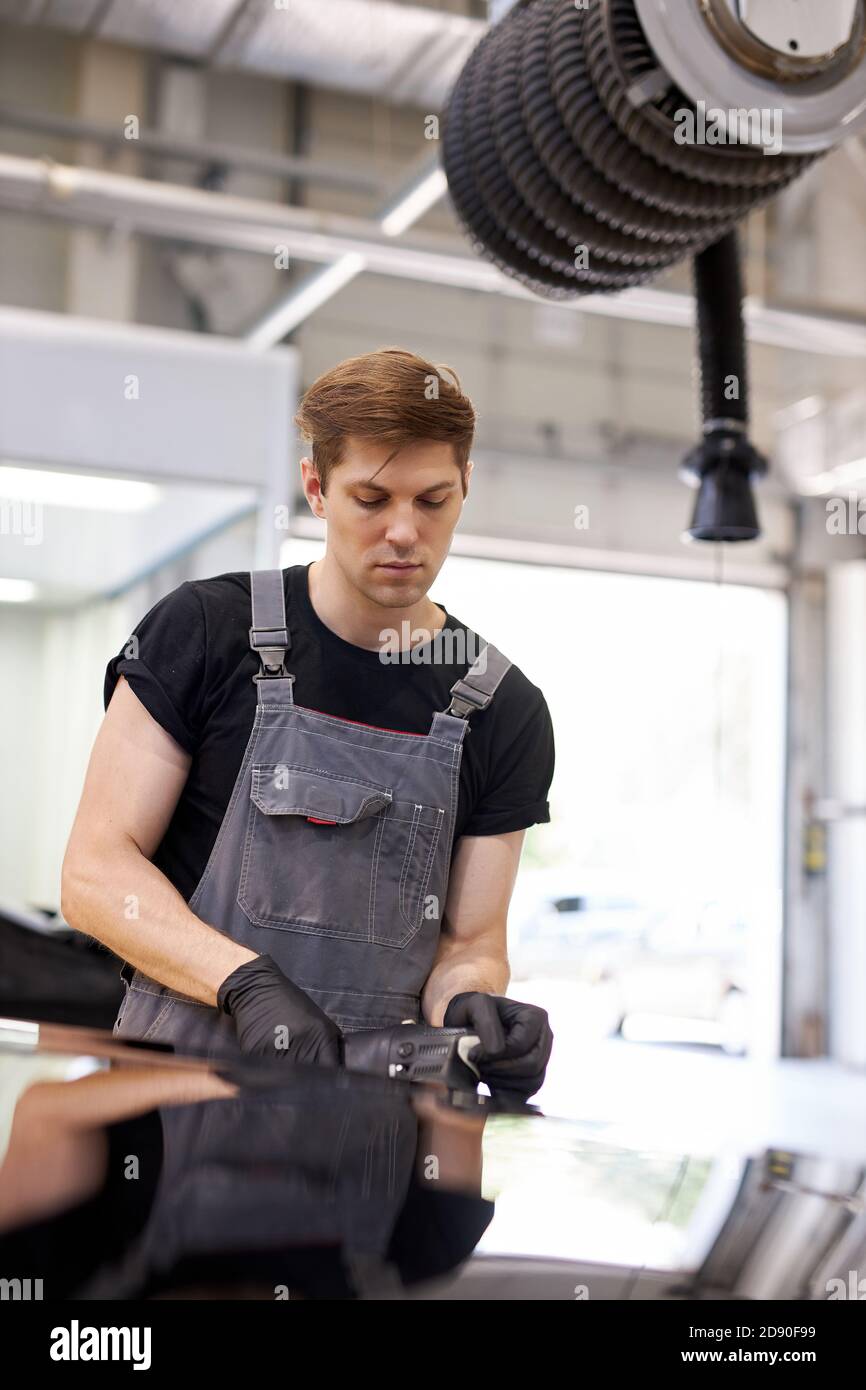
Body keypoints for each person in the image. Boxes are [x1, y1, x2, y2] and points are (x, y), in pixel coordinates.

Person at [61, 347, 555, 1097]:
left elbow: (469, 942)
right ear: (316, 489)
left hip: (371, 1136)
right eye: (371, 498)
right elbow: (95, 874)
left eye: (432, 500)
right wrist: (243, 983)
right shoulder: (204, 632)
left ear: (465, 489)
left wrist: (475, 1008)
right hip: (168, 1118)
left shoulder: (503, 708)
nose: (402, 532)